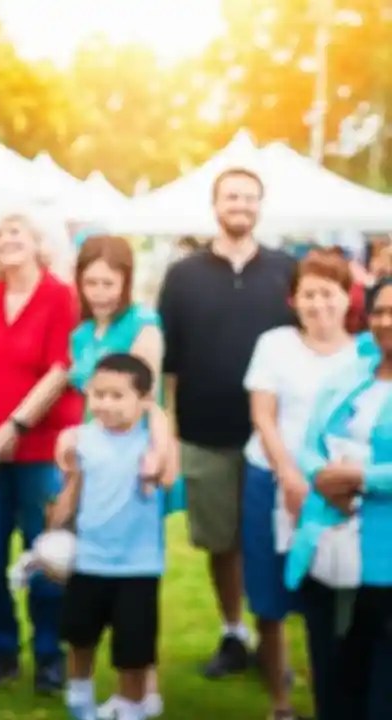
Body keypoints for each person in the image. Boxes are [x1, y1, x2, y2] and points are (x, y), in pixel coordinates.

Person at [157, 168, 295, 678]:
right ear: (215, 204)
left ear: (261, 206)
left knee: (269, 540)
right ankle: (234, 633)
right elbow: (168, 365)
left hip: (274, 437)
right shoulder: (184, 274)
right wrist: (169, 432)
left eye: (249, 197)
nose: (240, 204)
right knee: (222, 542)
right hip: (203, 433)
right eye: (231, 196)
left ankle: (271, 644)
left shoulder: (285, 270)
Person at [0, 207, 81, 695]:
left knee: (47, 556)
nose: (7, 240)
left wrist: (16, 424)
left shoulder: (59, 297)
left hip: (43, 451)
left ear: (37, 240)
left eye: (16, 232)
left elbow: (61, 368)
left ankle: (51, 655)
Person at [241, 249, 356, 720]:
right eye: (309, 294)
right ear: (294, 299)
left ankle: (333, 698)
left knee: (331, 603)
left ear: (348, 298)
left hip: (335, 494)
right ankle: (281, 703)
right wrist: (287, 473)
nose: (318, 304)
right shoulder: (275, 344)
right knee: (269, 600)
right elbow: (263, 415)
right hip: (270, 480)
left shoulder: (364, 354)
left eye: (328, 293)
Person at [67, 234, 174, 718]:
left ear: (127, 280)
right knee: (93, 601)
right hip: (94, 451)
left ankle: (141, 692)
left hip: (134, 451)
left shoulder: (144, 325)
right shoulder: (82, 330)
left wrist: (158, 452)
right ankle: (111, 692)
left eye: (109, 282)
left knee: (135, 598)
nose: (100, 291)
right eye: (90, 282)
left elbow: (148, 402)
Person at [283, 276, 392, 720]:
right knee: (332, 675)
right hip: (329, 546)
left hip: (384, 563)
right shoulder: (352, 374)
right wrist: (321, 474)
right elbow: (309, 439)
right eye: (382, 310)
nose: (387, 321)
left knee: (380, 688)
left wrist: (361, 477)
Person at [48, 353, 174, 720]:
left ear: (143, 401)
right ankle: (80, 699)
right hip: (88, 562)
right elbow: (68, 498)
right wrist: (54, 534)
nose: (105, 404)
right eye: (98, 395)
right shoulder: (81, 441)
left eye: (117, 396)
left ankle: (132, 707)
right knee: (79, 638)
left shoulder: (154, 446)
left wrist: (158, 431)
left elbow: (165, 477)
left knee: (134, 653)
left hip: (137, 568)